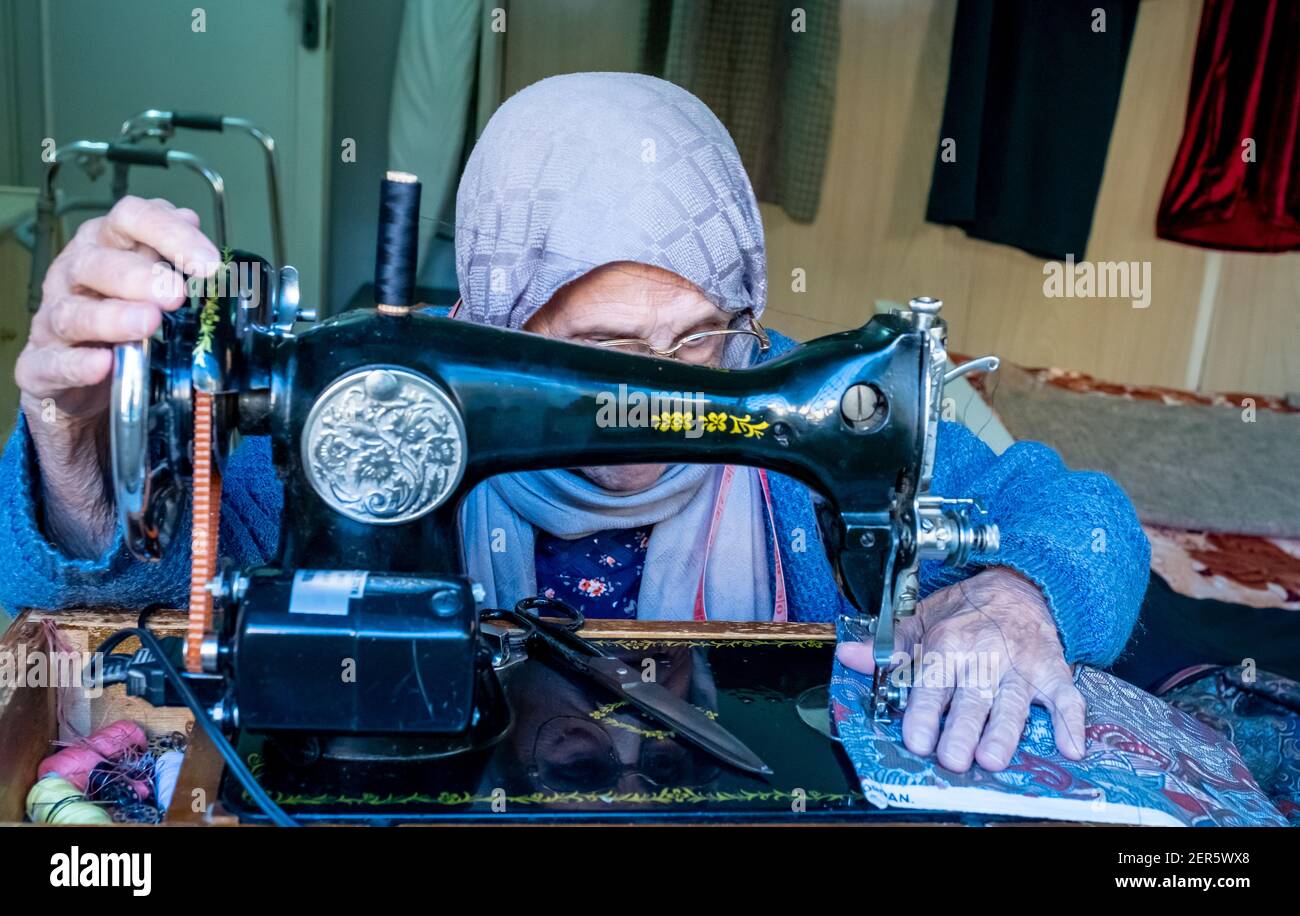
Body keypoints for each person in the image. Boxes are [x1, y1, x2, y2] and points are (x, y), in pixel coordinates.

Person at [0, 73, 1149, 773]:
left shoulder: (812, 401)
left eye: (706, 338)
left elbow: (1088, 520)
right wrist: (73, 446)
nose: (677, 388)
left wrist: (1015, 592)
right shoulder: (363, 431)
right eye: (606, 354)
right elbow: (82, 605)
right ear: (490, 327)